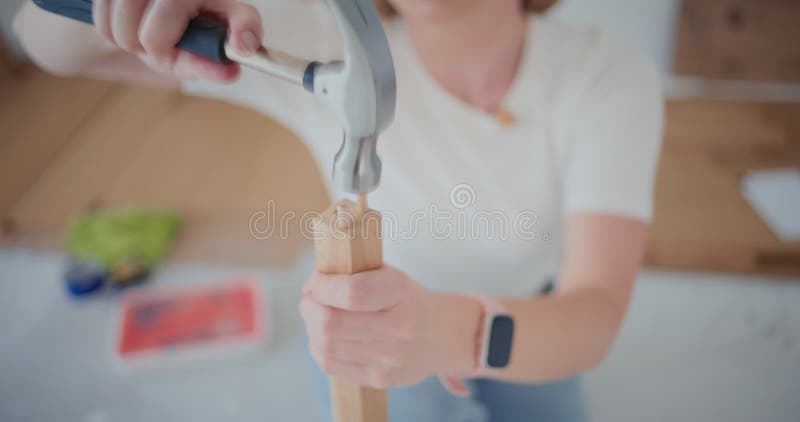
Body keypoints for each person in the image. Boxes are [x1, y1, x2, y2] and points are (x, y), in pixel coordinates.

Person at [13, 0, 663, 420]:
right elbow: (40, 41)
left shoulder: (605, 77)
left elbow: (593, 318)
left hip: (530, 312)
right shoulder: (312, 37)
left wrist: (451, 332)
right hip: (364, 330)